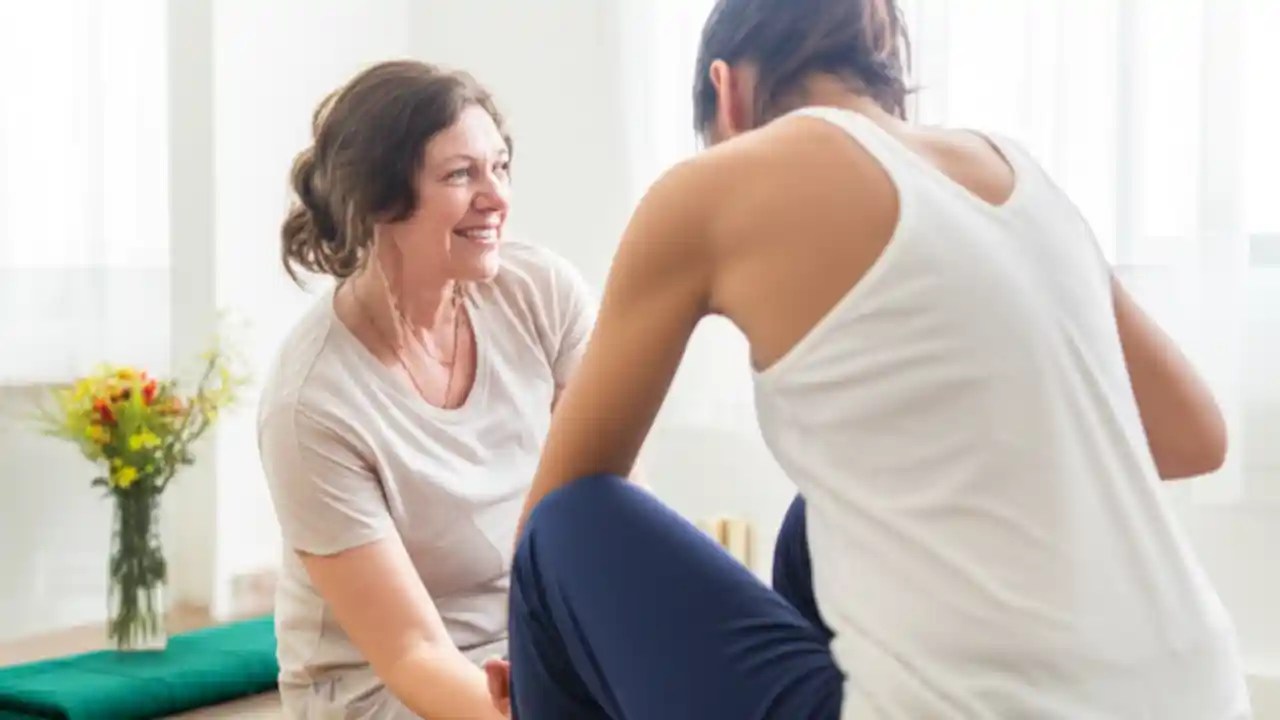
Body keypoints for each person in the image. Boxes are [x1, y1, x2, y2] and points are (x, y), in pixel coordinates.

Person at [496, 0, 1253, 717]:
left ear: (728, 94)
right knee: (812, 530)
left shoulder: (713, 189)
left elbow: (559, 514)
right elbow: (1195, 436)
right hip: (1207, 698)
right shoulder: (1018, 176)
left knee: (569, 530)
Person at [256, 60, 603, 719]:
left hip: (534, 643)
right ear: (380, 198)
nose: (496, 197)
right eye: (461, 174)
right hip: (383, 685)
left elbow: (609, 502)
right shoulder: (311, 403)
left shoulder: (541, 293)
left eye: (499, 167)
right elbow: (412, 652)